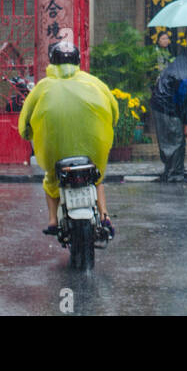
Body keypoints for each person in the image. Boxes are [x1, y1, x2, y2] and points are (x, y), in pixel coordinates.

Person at [18, 41, 117, 236]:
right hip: (93, 148)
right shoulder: (94, 82)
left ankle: (53, 220)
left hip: (55, 151)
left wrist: (27, 133)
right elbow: (114, 110)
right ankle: (104, 215)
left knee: (51, 180)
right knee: (95, 179)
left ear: (52, 62)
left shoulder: (43, 86)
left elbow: (25, 120)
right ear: (78, 61)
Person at [151, 50, 187, 182]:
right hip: (167, 106)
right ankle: (175, 174)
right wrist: (185, 121)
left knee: (169, 139)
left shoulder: (181, 63)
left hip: (159, 102)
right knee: (176, 140)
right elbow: (183, 100)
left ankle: (172, 171)